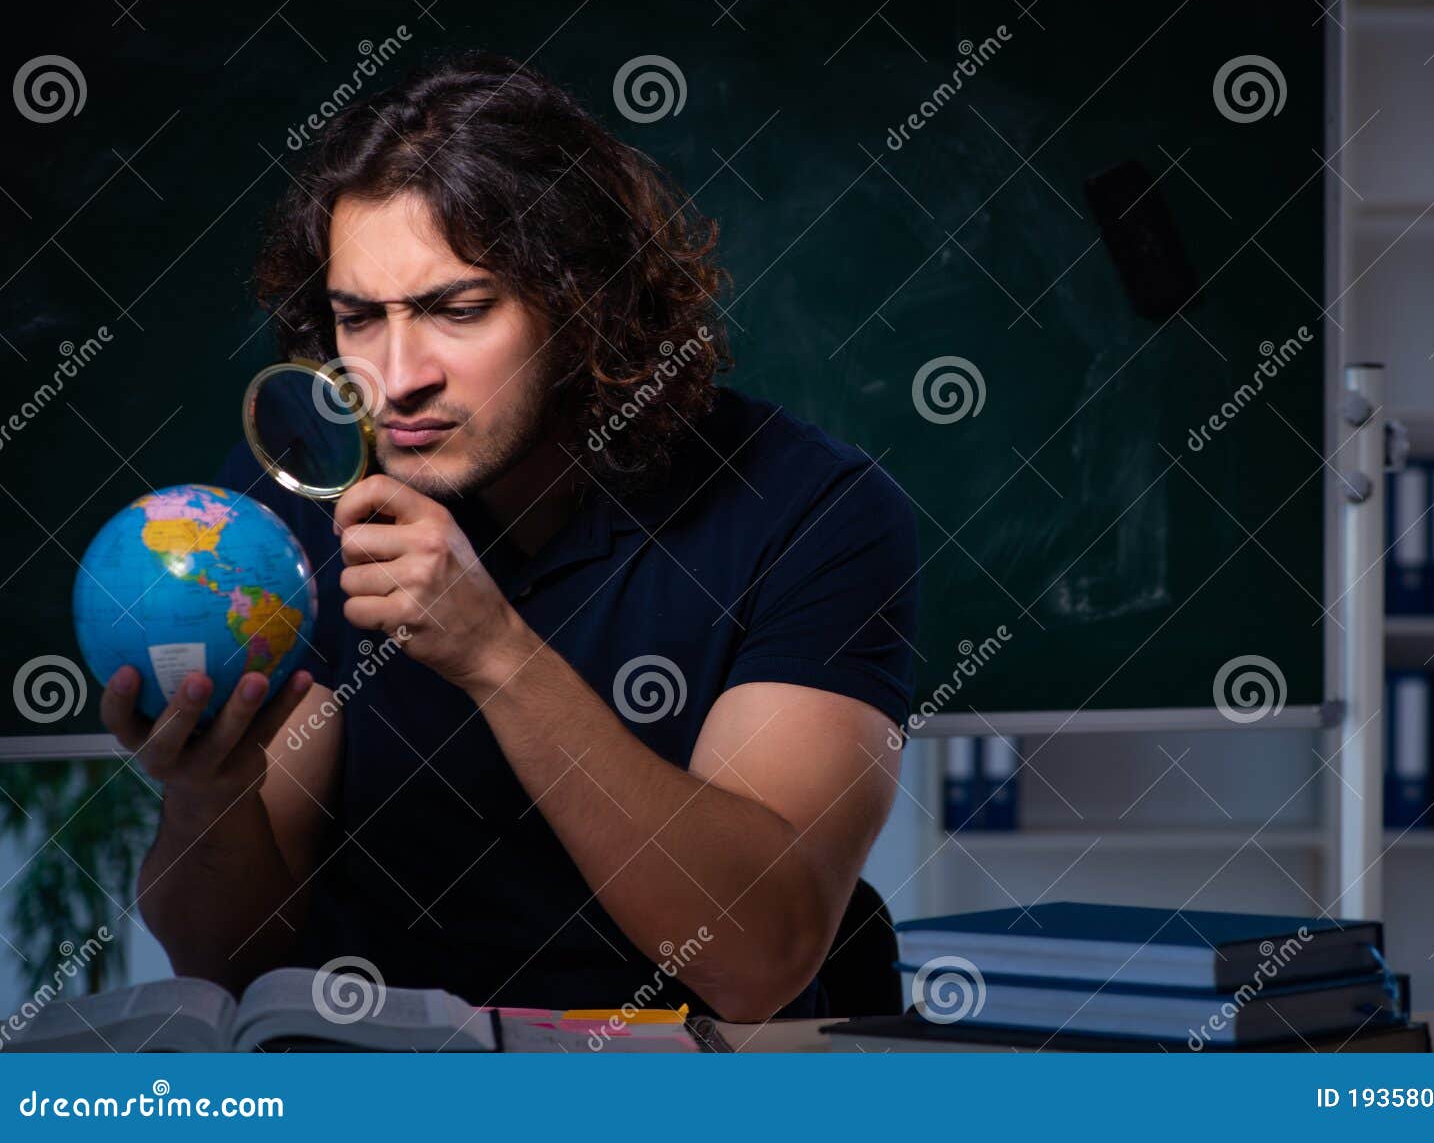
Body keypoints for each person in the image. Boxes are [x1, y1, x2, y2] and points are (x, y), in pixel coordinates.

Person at [99, 53, 918, 1021]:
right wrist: (208, 798)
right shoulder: (292, 503)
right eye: (358, 318)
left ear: (584, 306)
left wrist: (495, 655)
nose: (395, 379)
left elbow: (756, 959)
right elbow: (229, 960)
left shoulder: (810, 507)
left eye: (458, 311)